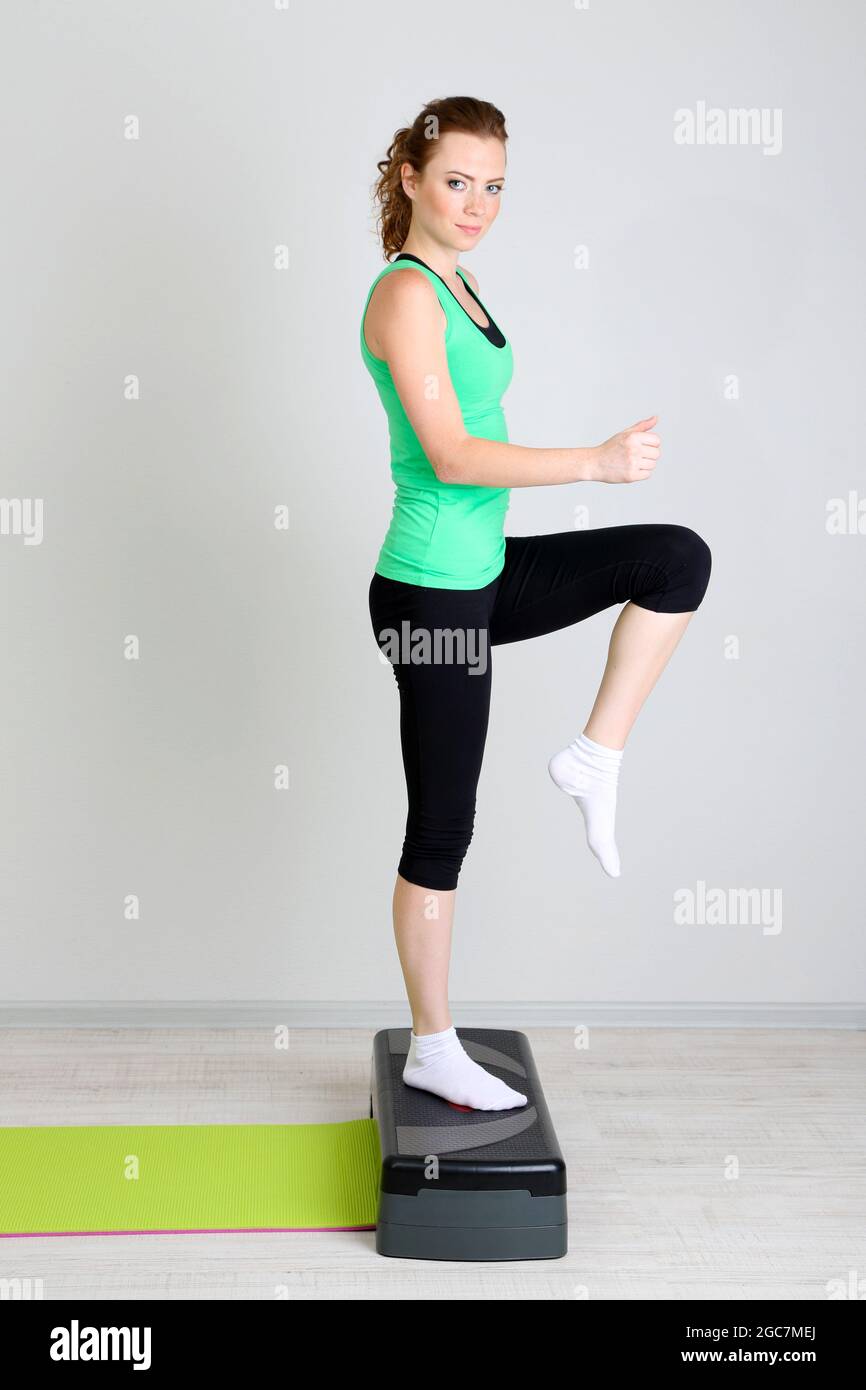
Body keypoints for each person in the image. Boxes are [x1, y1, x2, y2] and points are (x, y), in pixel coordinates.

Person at [361, 96, 711, 1112]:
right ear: (410, 181)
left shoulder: (458, 282)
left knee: (673, 561)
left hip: (478, 575)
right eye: (458, 181)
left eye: (495, 185)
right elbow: (451, 454)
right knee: (442, 828)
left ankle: (591, 756)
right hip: (428, 595)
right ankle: (431, 1044)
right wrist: (593, 464)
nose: (477, 203)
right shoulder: (404, 296)